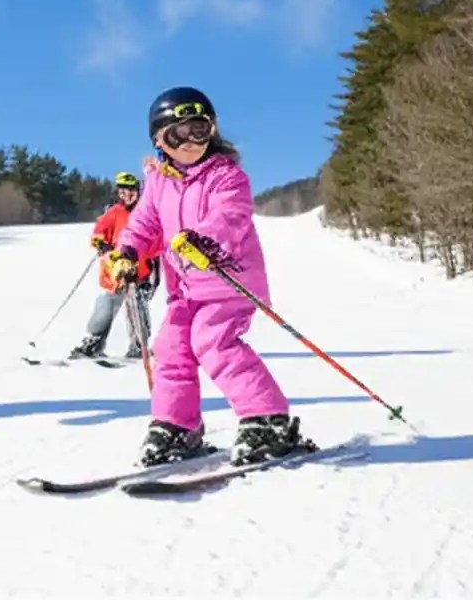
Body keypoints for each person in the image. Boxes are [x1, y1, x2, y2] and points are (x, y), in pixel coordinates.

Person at [104, 86, 308, 467]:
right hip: (184, 291)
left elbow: (230, 216)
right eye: (177, 133)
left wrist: (203, 241)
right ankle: (177, 426)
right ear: (159, 140)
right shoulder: (158, 183)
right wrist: (127, 254)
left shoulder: (227, 176)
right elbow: (144, 225)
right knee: (171, 348)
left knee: (213, 342)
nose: (190, 141)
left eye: (199, 129)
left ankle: (267, 419)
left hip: (227, 280)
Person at [68, 172, 162, 360]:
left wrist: (151, 266)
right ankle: (94, 341)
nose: (127, 194)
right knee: (106, 305)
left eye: (131, 190)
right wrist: (101, 244)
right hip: (115, 271)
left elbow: (157, 242)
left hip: (139, 271)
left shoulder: (146, 214)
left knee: (137, 306)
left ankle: (138, 346)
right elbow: (98, 233)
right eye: (122, 191)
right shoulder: (114, 213)